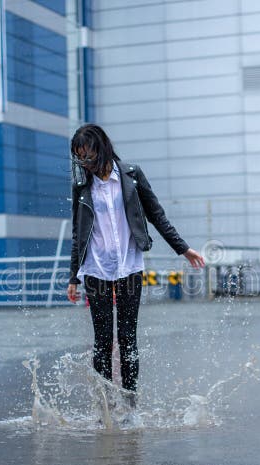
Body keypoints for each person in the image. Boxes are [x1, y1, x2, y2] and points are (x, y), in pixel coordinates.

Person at [66, 124, 205, 405]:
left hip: (129, 266)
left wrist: (182, 248)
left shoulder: (132, 175)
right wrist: (73, 276)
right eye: (80, 157)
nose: (85, 162)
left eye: (88, 155)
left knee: (128, 337)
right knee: (103, 341)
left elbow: (156, 214)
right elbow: (78, 233)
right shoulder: (82, 186)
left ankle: (130, 404)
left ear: (102, 148)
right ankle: (106, 405)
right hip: (95, 269)